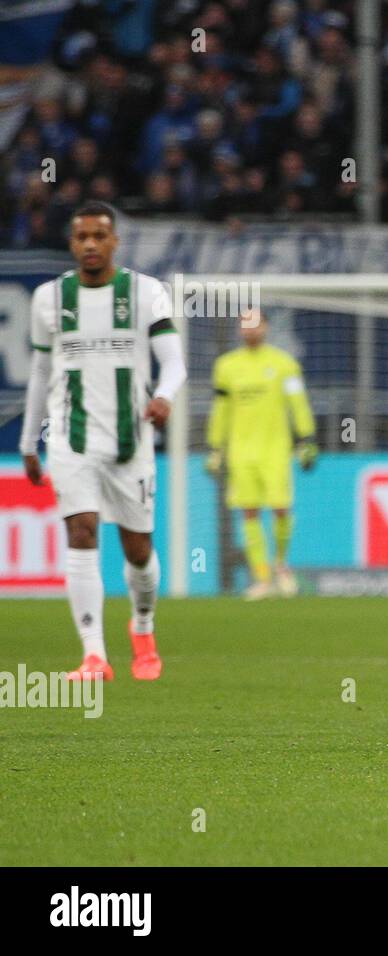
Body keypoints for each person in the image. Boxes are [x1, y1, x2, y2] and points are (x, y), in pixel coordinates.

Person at [19, 201, 187, 680]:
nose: (90, 244)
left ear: (115, 241)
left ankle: (143, 625)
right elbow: (40, 372)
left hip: (130, 442)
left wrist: (163, 395)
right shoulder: (49, 300)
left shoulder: (145, 292)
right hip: (71, 441)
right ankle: (94, 655)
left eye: (99, 235)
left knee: (138, 551)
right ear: (71, 244)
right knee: (82, 530)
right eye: (81, 237)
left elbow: (174, 362)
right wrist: (31, 441)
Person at [206, 307, 318, 599]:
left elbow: (298, 403)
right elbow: (221, 410)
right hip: (240, 453)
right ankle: (262, 576)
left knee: (281, 508)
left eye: (256, 324)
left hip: (275, 451)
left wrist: (306, 439)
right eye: (245, 324)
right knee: (249, 513)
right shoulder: (226, 366)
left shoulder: (284, 364)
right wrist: (215, 447)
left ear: (266, 328)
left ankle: (281, 564)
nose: (250, 330)